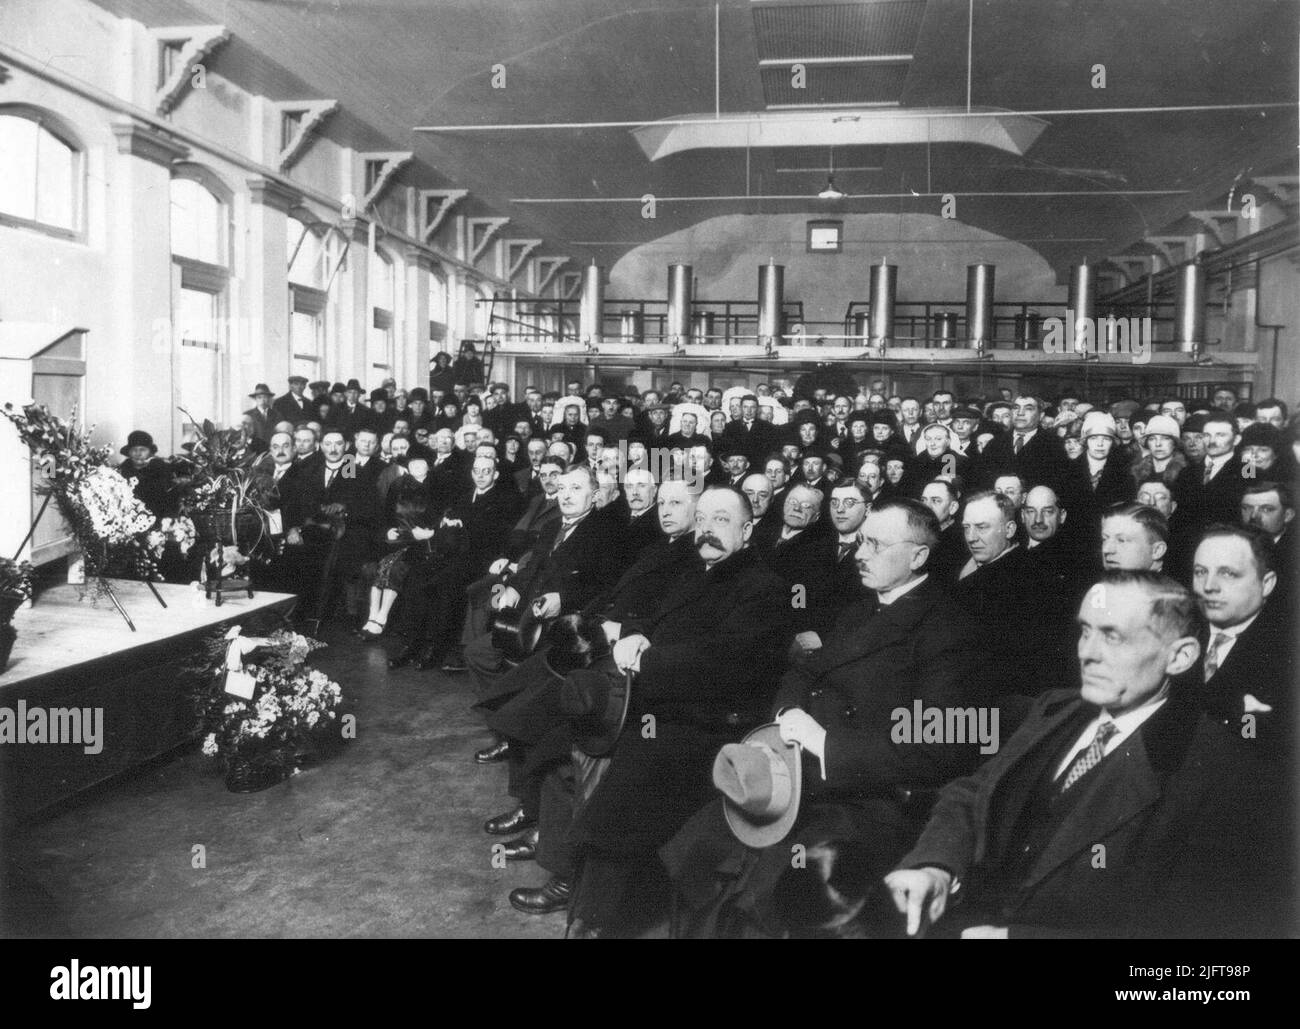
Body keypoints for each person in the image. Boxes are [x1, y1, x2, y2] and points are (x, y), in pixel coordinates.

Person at [885, 571, 1289, 939]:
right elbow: (974, 795)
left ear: (1180, 657)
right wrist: (936, 868)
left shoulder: (1220, 771)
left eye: (1113, 636)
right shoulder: (1055, 708)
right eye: (1085, 631)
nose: (1088, 653)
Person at [663, 499, 995, 938]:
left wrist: (824, 744)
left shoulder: (949, 632)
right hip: (800, 781)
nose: (860, 553)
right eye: (861, 541)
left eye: (875, 544)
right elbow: (803, 668)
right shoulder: (859, 610)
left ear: (918, 556)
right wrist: (787, 712)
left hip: (873, 800)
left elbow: (941, 752)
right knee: (702, 843)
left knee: (773, 883)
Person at [560, 486, 793, 937]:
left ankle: (594, 922)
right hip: (660, 705)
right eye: (701, 520)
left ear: (747, 530)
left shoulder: (765, 587)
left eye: (721, 520)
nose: (707, 529)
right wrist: (637, 635)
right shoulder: (692, 572)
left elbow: (726, 661)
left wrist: (649, 660)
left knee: (631, 780)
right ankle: (581, 895)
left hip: (714, 723)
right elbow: (653, 617)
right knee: (577, 724)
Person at [1191, 526, 1292, 756]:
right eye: (1200, 572)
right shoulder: (1177, 631)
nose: (1209, 586)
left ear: (1266, 584)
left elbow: (1257, 739)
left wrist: (1243, 718)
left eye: (1228, 573)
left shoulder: (1286, 652)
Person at [117, 430, 175, 521]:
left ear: (150, 452)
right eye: (134, 450)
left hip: (159, 516)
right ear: (129, 453)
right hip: (130, 518)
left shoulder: (160, 468)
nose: (138, 454)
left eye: (142, 450)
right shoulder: (123, 470)